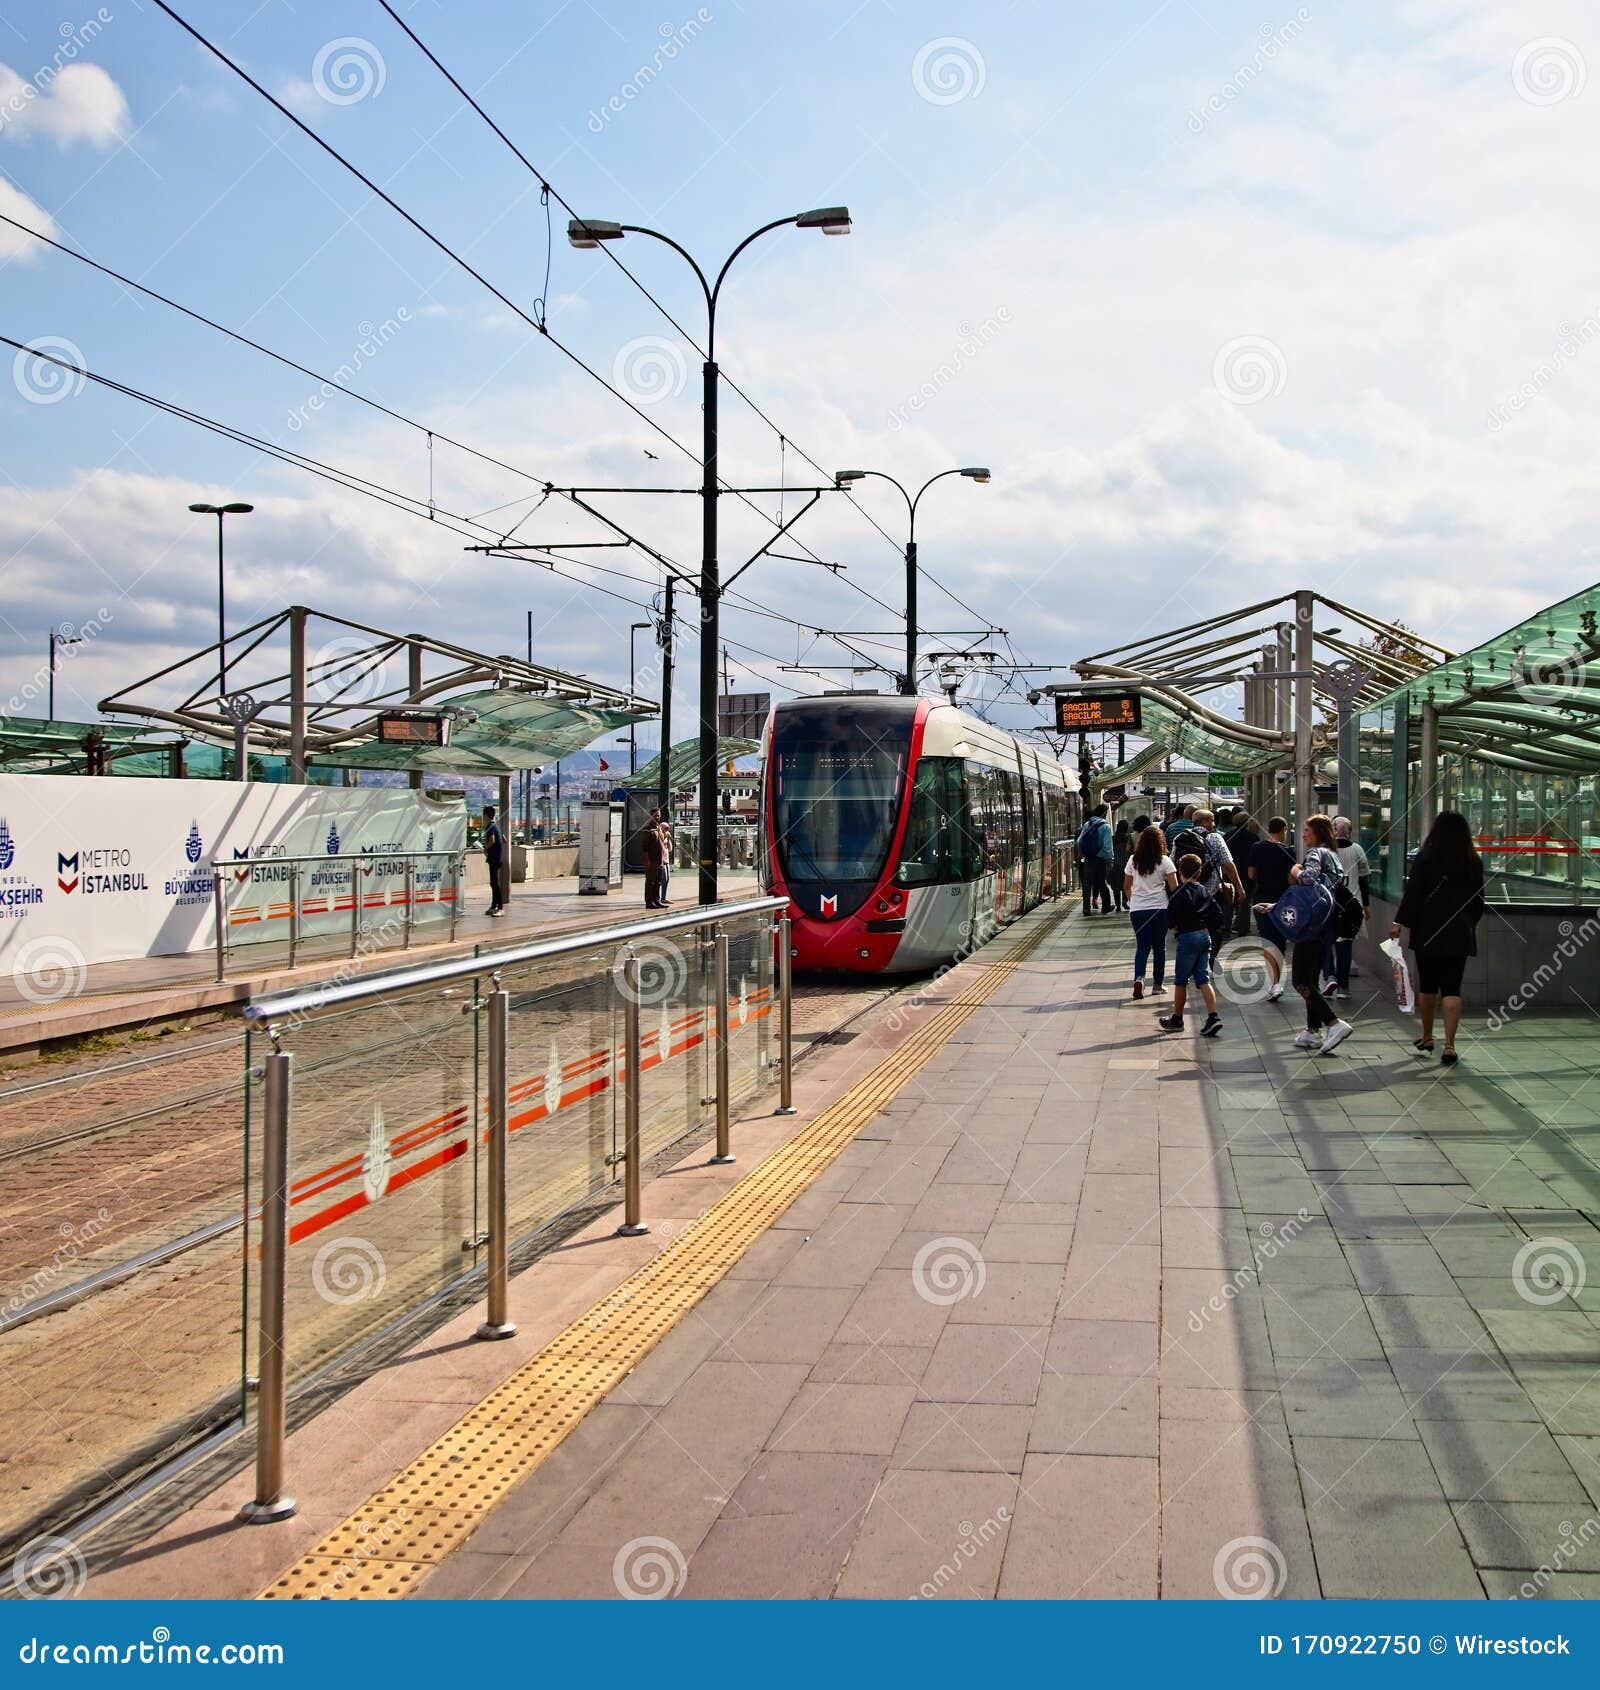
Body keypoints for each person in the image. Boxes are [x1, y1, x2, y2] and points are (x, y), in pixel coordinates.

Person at [1391, 810, 1484, 1067]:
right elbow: (1478, 903)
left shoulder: (1425, 858)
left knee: (1428, 986)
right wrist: (1467, 924)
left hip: (1428, 932)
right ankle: (1451, 1046)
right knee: (1453, 988)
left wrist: (1399, 923)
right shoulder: (1472, 861)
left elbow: (1413, 896)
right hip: (1459, 933)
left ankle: (1427, 1037)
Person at [1262, 814, 1353, 1054]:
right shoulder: (1333, 856)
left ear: (1318, 833)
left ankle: (1333, 1023)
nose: (1302, 834)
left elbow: (1308, 879)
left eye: (1306, 830)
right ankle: (1313, 1031)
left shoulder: (1316, 854)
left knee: (1300, 981)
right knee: (1311, 980)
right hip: (1326, 924)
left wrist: (1295, 869)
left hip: (1310, 928)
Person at [1170, 807, 1244, 970]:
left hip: (1188, 894)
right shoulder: (1215, 838)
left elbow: (1173, 866)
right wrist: (1239, 887)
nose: (1214, 823)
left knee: (1188, 930)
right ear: (1203, 822)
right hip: (1211, 894)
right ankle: (1208, 959)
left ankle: (1192, 963)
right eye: (1211, 820)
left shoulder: (1180, 838)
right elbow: (1228, 865)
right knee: (1215, 930)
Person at [1158, 854, 1223, 1037]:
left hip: (1187, 937)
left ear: (1180, 872)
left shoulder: (1178, 893)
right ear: (1200, 872)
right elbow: (1216, 913)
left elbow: (1170, 920)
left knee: (1181, 980)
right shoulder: (1203, 890)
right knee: (1203, 979)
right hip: (1204, 936)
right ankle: (1213, 1016)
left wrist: (1175, 925)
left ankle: (1177, 1019)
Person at [1124, 824, 1176, 1000]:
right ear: (1160, 841)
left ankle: (1139, 978)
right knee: (1159, 948)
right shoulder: (1165, 861)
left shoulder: (1133, 860)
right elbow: (1174, 887)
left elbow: (1126, 886)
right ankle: (1158, 985)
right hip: (1160, 909)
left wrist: (1133, 901)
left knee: (1143, 947)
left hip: (1138, 910)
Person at [1247, 816, 1296, 1001]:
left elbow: (1251, 874)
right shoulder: (1288, 851)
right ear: (1283, 830)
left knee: (1268, 941)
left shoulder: (1256, 848)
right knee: (1280, 941)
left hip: (1261, 899)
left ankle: (1274, 983)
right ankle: (1278, 982)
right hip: (1282, 901)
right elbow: (1292, 880)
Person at [1324, 815, 1371, 999]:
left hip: (1329, 905)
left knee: (1327, 944)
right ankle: (1343, 987)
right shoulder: (1357, 849)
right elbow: (1364, 878)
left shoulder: (1324, 850)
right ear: (1349, 831)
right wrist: (1366, 905)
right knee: (1345, 945)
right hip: (1352, 906)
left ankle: (1329, 977)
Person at [1076, 803, 1116, 916]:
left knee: (1087, 883)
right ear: (1104, 813)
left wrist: (1080, 854)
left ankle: (1086, 908)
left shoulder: (1087, 824)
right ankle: (1106, 907)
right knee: (1102, 883)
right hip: (1101, 859)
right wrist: (1110, 860)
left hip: (1088, 857)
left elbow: (1079, 841)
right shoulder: (1106, 826)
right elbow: (1107, 846)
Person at [1225, 811, 1261, 934]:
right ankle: (1243, 927)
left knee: (1229, 900)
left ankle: (1226, 927)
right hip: (1247, 873)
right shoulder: (1254, 837)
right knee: (1246, 901)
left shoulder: (1227, 836)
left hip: (1230, 872)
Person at [481, 804, 506, 916]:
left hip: (494, 858)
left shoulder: (489, 827)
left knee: (494, 883)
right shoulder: (496, 826)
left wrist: (485, 848)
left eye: (483, 815)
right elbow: (504, 840)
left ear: (486, 815)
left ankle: (500, 907)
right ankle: (493, 906)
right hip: (497, 857)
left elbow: (492, 841)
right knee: (493, 882)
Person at [639, 806, 667, 909]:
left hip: (660, 860)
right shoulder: (648, 830)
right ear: (650, 816)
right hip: (652, 860)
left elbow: (662, 841)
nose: (657, 817)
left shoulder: (658, 828)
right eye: (655, 816)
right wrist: (646, 860)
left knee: (658, 882)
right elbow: (644, 846)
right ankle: (649, 902)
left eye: (658, 816)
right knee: (650, 882)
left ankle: (657, 900)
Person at [1111, 817, 1133, 912]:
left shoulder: (1113, 838)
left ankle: (1118, 906)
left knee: (1116, 886)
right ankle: (1124, 901)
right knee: (1125, 884)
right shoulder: (1128, 837)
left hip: (1115, 864)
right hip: (1126, 863)